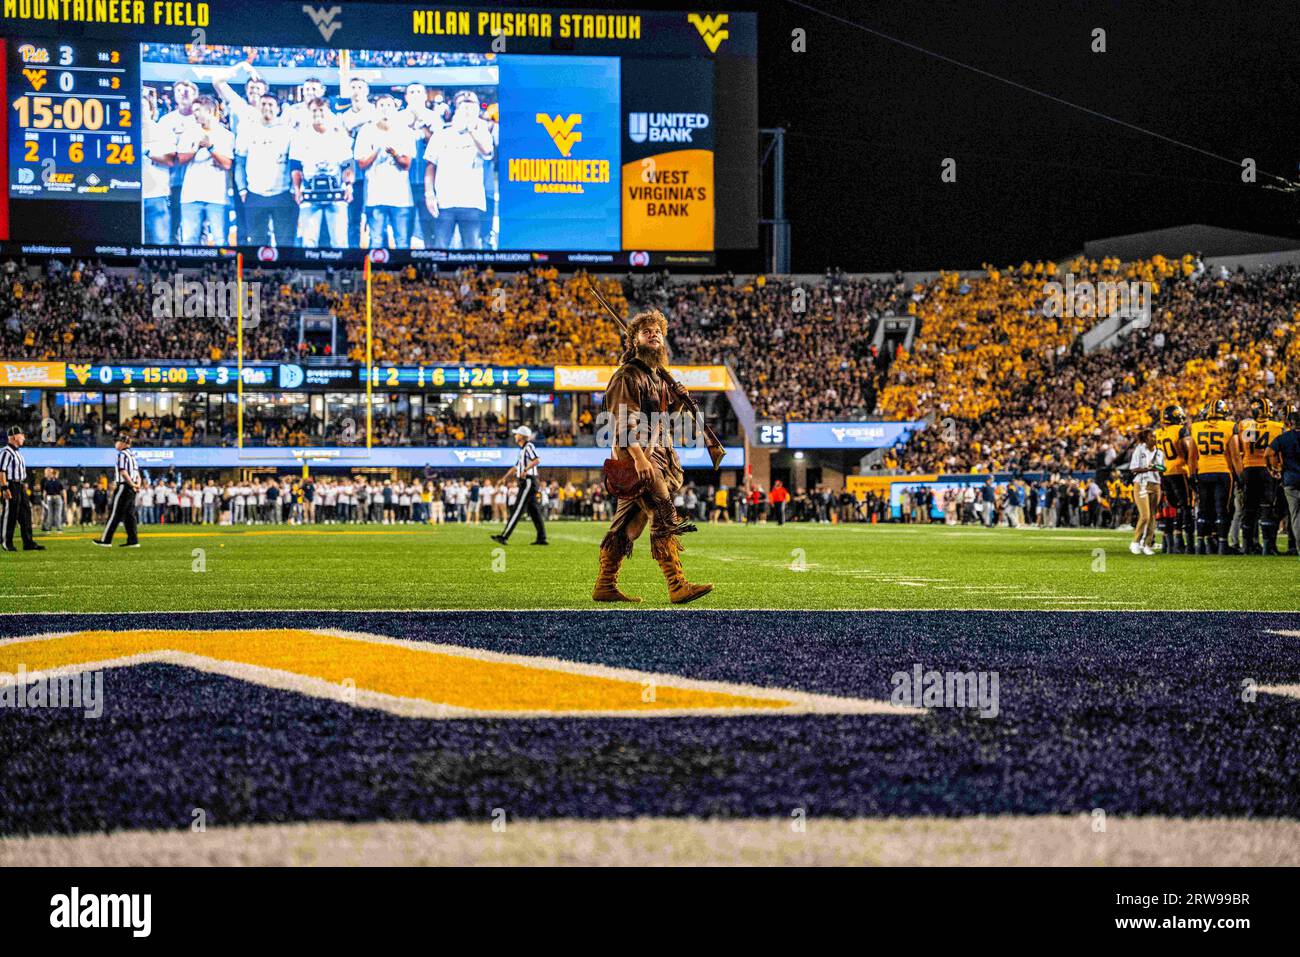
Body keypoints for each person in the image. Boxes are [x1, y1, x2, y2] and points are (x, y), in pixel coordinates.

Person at [592, 309, 710, 604]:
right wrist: (640, 459)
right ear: (633, 340)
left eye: (658, 331)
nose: (654, 334)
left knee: (624, 525)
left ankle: (605, 585)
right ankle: (676, 584)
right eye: (646, 331)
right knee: (662, 511)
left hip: (656, 455)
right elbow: (622, 422)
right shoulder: (627, 375)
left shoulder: (655, 377)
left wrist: (680, 403)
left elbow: (662, 421)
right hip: (639, 459)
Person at [1188, 398, 1238, 555]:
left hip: (1203, 471)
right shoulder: (1229, 426)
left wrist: (1191, 475)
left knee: (1203, 509)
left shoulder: (1196, 427)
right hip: (1222, 472)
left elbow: (1191, 457)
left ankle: (1201, 545)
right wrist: (1241, 476)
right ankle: (1222, 546)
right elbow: (1235, 455)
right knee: (1222, 510)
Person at [492, 425, 547, 545]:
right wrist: (504, 478)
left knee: (517, 508)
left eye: (517, 434)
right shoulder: (522, 450)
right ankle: (542, 538)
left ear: (522, 436)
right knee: (534, 511)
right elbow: (515, 467)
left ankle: (504, 536)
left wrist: (525, 469)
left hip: (528, 481)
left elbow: (537, 460)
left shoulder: (528, 446)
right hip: (527, 481)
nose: (515, 436)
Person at [94, 432, 141, 548]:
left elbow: (123, 472)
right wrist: (136, 485)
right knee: (129, 515)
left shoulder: (122, 455)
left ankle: (106, 540)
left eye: (117, 441)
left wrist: (131, 484)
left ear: (123, 443)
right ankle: (133, 540)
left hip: (124, 486)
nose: (115, 444)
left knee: (115, 513)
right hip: (132, 488)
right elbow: (138, 474)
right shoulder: (133, 455)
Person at [1, 425, 44, 552]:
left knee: (25, 514)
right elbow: (1, 471)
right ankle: (6, 542)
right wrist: (4, 488)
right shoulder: (6, 452)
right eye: (22, 435)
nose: (24, 438)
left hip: (20, 485)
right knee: (10, 515)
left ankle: (28, 542)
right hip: (10, 485)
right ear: (14, 437)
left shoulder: (17, 452)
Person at [1266, 403, 1300, 561]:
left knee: (1294, 515)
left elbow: (1269, 452)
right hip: (1290, 478)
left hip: (1290, 479)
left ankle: (1295, 547)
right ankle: (1292, 545)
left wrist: (1274, 468)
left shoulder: (1283, 435)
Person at [1127, 427, 1162, 556]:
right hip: (1141, 483)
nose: (1155, 438)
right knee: (1145, 515)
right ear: (1146, 439)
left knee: (1153, 516)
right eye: (1152, 436)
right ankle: (1135, 542)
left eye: (1155, 436)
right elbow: (1133, 468)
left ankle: (1147, 544)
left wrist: (1157, 467)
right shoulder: (1139, 450)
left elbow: (1162, 468)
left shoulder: (1160, 452)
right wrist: (1147, 469)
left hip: (1156, 484)